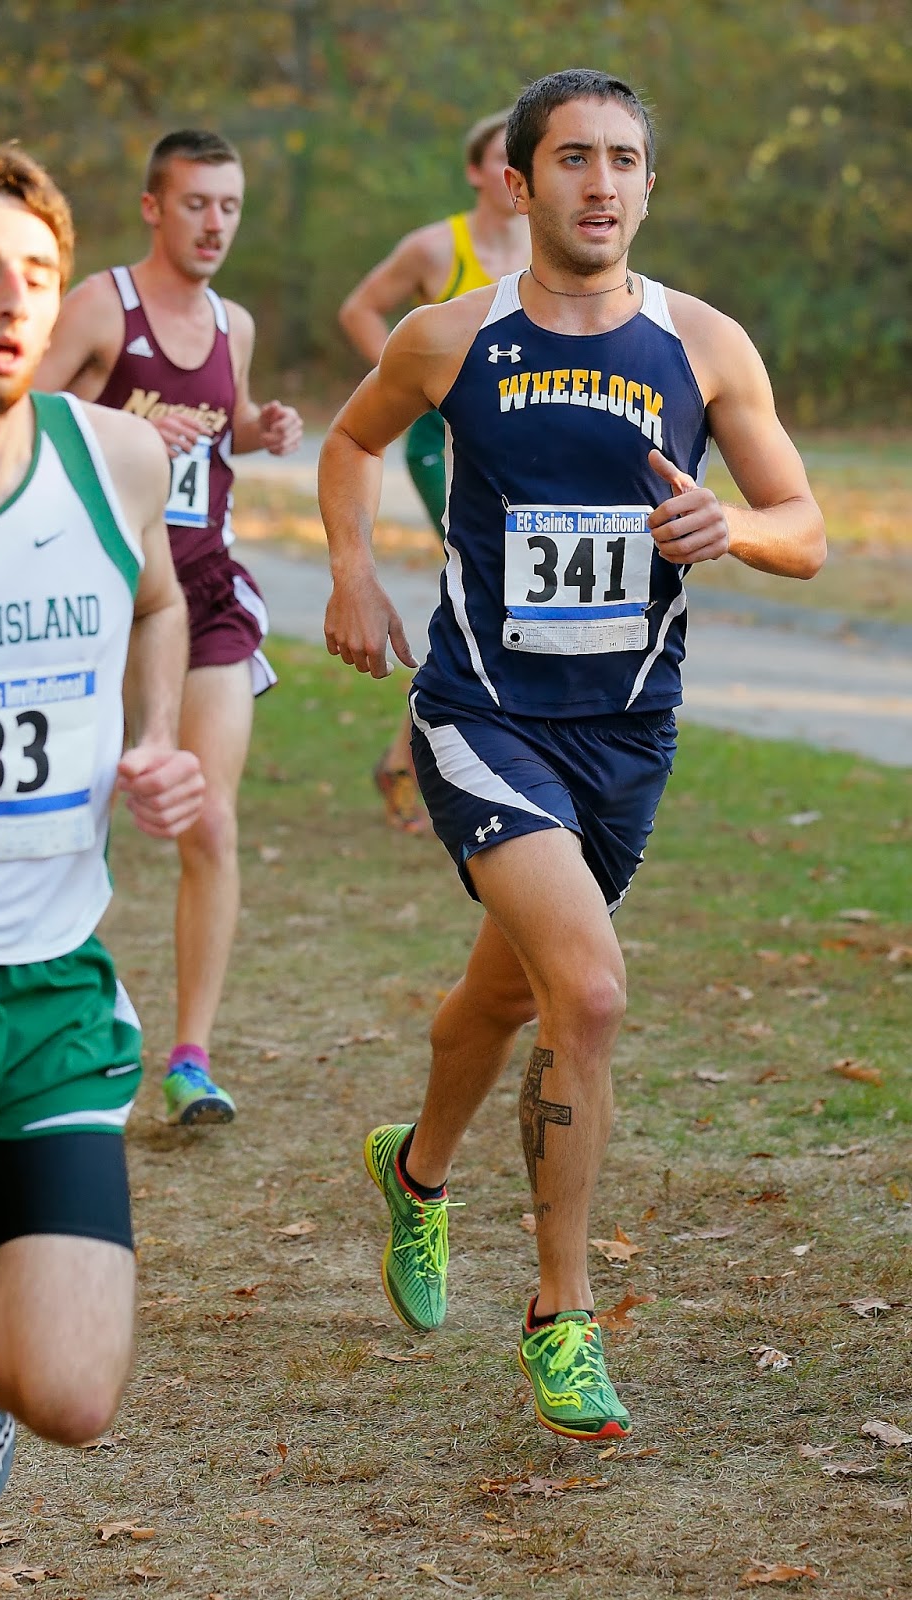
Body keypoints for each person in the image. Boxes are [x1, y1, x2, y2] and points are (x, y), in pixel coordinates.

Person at [319, 69, 826, 1440]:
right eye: (571, 159)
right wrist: (352, 571)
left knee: (503, 996)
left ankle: (414, 1172)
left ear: (648, 185)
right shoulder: (449, 334)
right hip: (481, 718)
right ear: (519, 182)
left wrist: (733, 528)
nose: (600, 183)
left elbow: (802, 525)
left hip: (627, 736)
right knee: (587, 995)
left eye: (622, 160)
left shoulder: (703, 344)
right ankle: (561, 1312)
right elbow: (351, 441)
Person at [0, 141, 205, 1586]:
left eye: (34, 273)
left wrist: (155, 736)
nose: (12, 302)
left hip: (44, 996)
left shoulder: (115, 458)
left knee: (71, 1392)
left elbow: (157, 602)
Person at [36, 130, 302, 1126]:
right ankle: (60, 1017)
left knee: (210, 817)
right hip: (102, 590)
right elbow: (16, 411)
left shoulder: (235, 323)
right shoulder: (101, 306)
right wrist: (128, 431)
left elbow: (225, 422)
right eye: (196, 203)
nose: (214, 224)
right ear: (154, 207)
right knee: (75, 817)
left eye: (229, 206)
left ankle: (192, 1057)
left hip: (207, 591)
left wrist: (260, 429)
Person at [338, 112, 529, 834]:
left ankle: (412, 754)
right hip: (439, 440)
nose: (514, 169)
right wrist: (406, 379)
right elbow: (360, 309)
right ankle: (427, 752)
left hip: (516, 441)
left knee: (501, 596)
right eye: (501, 156)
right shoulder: (436, 247)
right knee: (490, 585)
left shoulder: (548, 245)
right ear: (478, 171)